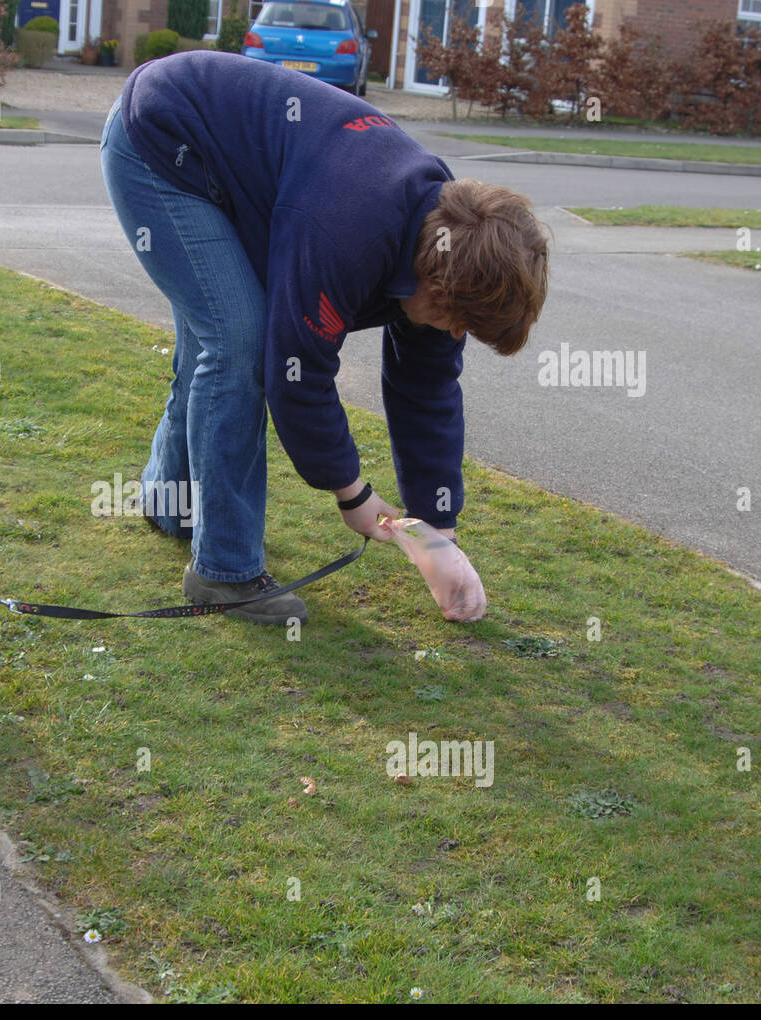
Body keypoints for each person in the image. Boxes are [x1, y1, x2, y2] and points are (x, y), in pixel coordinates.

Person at [100, 50, 549, 624]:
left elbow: (428, 390)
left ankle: (170, 502)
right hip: (162, 142)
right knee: (239, 343)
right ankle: (224, 572)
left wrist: (440, 535)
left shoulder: (448, 251)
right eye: (457, 322)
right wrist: (354, 495)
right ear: (436, 284)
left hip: (229, 156)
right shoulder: (347, 231)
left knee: (219, 336)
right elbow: (296, 372)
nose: (454, 335)